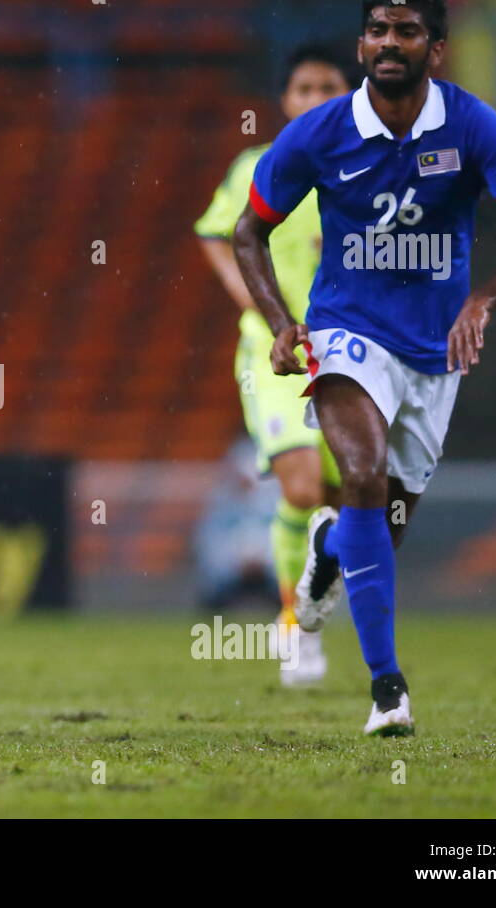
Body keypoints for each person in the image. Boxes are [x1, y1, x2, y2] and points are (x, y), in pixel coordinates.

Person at [232, 0, 496, 734]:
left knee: (377, 528)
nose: (390, 42)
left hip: (432, 353)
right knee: (360, 473)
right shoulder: (319, 133)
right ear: (362, 45)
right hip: (348, 331)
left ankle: (328, 552)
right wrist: (283, 322)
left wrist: (483, 300)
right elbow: (246, 233)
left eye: (408, 31)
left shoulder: (472, 127)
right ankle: (388, 690)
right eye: (379, 30)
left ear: (437, 50)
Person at [195, 44, 353, 685]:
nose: (314, 100)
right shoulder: (257, 167)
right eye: (302, 89)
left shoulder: (371, 173)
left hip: (354, 353)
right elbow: (217, 236)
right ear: (284, 101)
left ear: (349, 95)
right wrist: (262, 309)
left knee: (343, 503)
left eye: (327, 88)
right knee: (301, 487)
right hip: (278, 350)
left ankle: (310, 606)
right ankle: (296, 627)